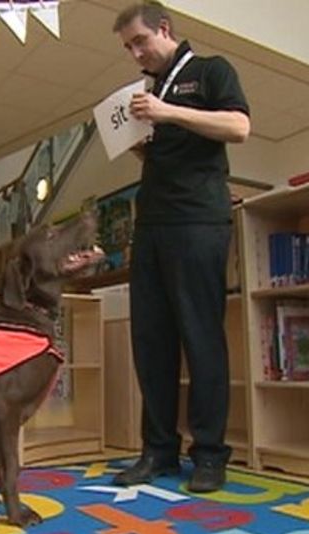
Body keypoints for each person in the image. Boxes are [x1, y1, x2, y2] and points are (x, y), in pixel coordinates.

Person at [111, 2, 250, 493]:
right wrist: (137, 143)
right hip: (152, 224)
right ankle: (159, 452)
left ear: (163, 30)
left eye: (139, 42)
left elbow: (238, 127)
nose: (135, 54)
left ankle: (210, 455)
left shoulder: (211, 71)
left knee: (201, 336)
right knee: (151, 341)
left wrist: (167, 111)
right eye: (128, 47)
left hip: (198, 221)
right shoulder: (153, 91)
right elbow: (169, 149)